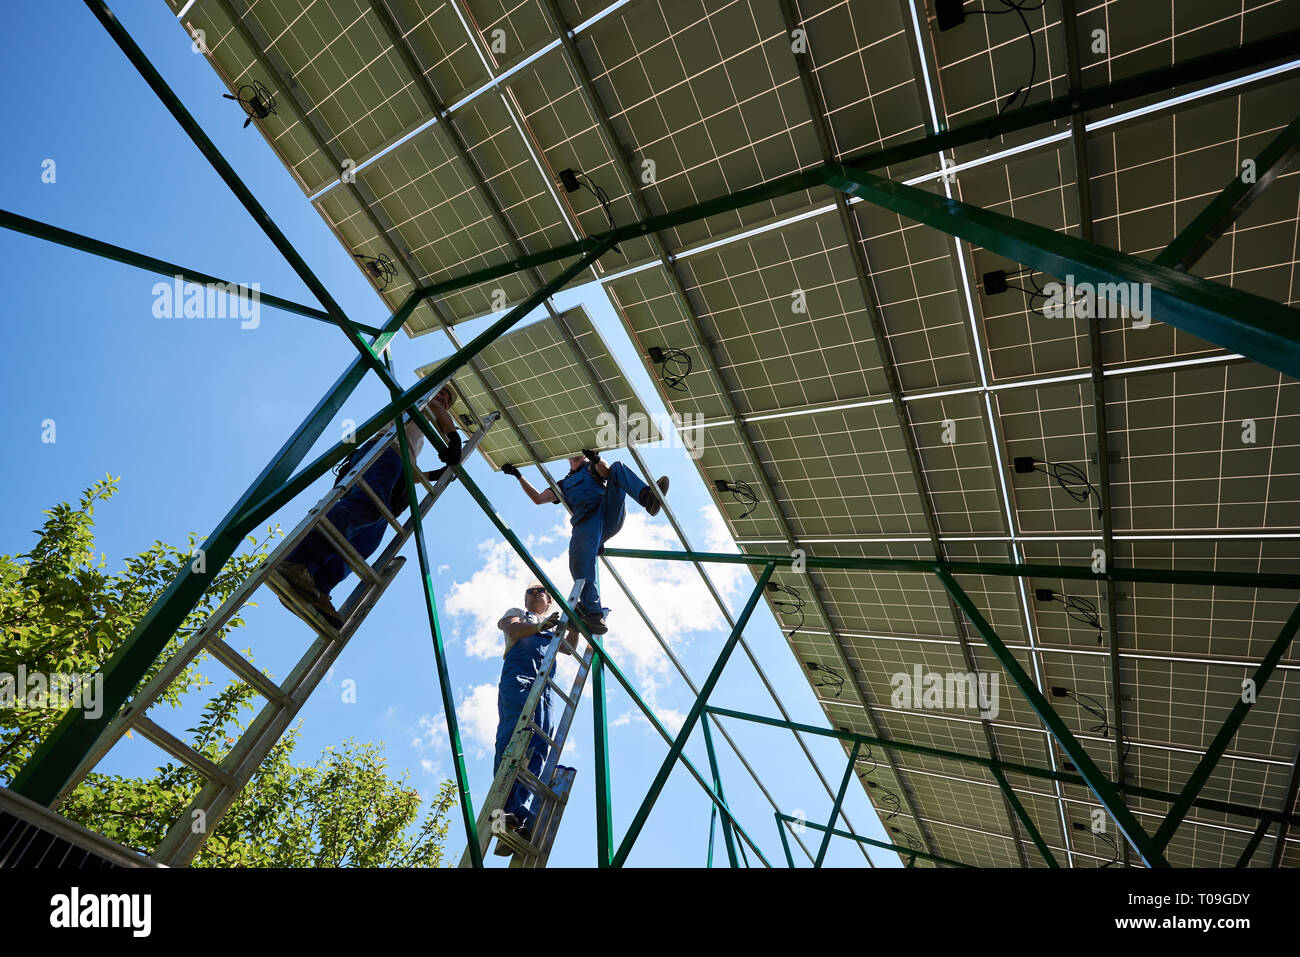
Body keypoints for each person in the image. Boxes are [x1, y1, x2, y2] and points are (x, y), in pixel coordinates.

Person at [277, 385, 462, 627]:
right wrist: (454, 438)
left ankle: (320, 586)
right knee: (366, 507)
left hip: (396, 460)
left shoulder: (418, 431)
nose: (442, 399)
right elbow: (435, 409)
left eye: (447, 400)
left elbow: (406, 466)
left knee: (368, 539)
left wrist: (430, 475)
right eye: (442, 394)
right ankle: (299, 560)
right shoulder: (422, 399)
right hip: (382, 449)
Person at [501, 449, 668, 635]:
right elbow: (538, 499)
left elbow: (605, 472)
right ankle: (593, 613)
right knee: (580, 561)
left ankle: (648, 497)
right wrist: (518, 476)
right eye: (572, 451)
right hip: (587, 522)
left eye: (581, 452)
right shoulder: (563, 484)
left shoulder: (592, 467)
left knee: (617, 468)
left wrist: (596, 459)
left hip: (608, 511)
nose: (576, 453)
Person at [491, 582, 578, 855]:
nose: (535, 593)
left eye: (541, 591)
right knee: (514, 735)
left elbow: (568, 648)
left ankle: (515, 816)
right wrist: (540, 627)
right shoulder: (519, 613)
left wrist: (573, 622)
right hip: (519, 677)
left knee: (539, 746)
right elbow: (514, 629)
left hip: (544, 686)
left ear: (550, 601)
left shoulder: (553, 626)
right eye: (531, 591)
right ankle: (500, 814)